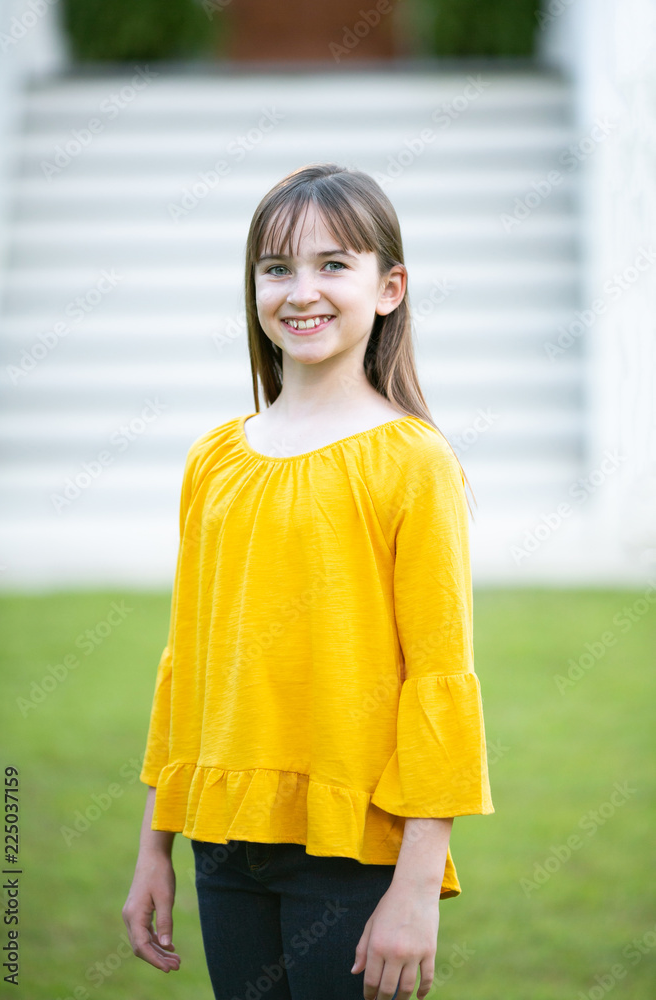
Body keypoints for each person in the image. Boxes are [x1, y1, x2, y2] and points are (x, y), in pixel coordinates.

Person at [122, 162, 494, 1000]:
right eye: (276, 267)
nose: (301, 291)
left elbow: (438, 681)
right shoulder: (214, 457)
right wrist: (154, 847)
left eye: (333, 265)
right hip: (220, 846)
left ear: (389, 287)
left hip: (350, 853)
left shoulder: (412, 461)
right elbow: (188, 665)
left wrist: (414, 888)